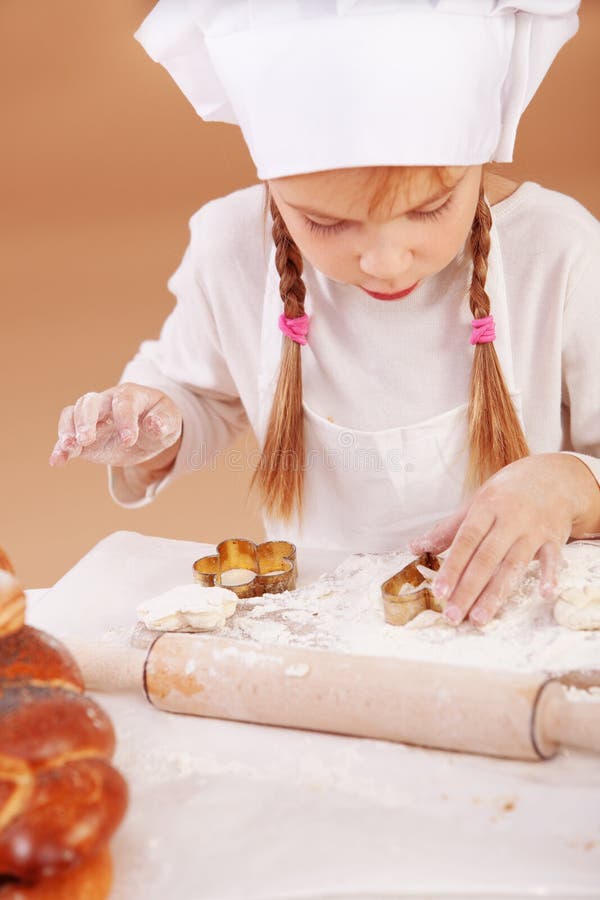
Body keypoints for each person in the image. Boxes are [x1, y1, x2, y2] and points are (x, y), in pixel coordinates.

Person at [49, 0, 600, 628]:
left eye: (430, 209)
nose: (386, 261)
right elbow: (195, 396)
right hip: (316, 624)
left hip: (516, 624)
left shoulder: (559, 253)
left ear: (480, 159)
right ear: (274, 187)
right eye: (326, 223)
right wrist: (154, 424)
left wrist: (569, 485)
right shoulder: (232, 247)